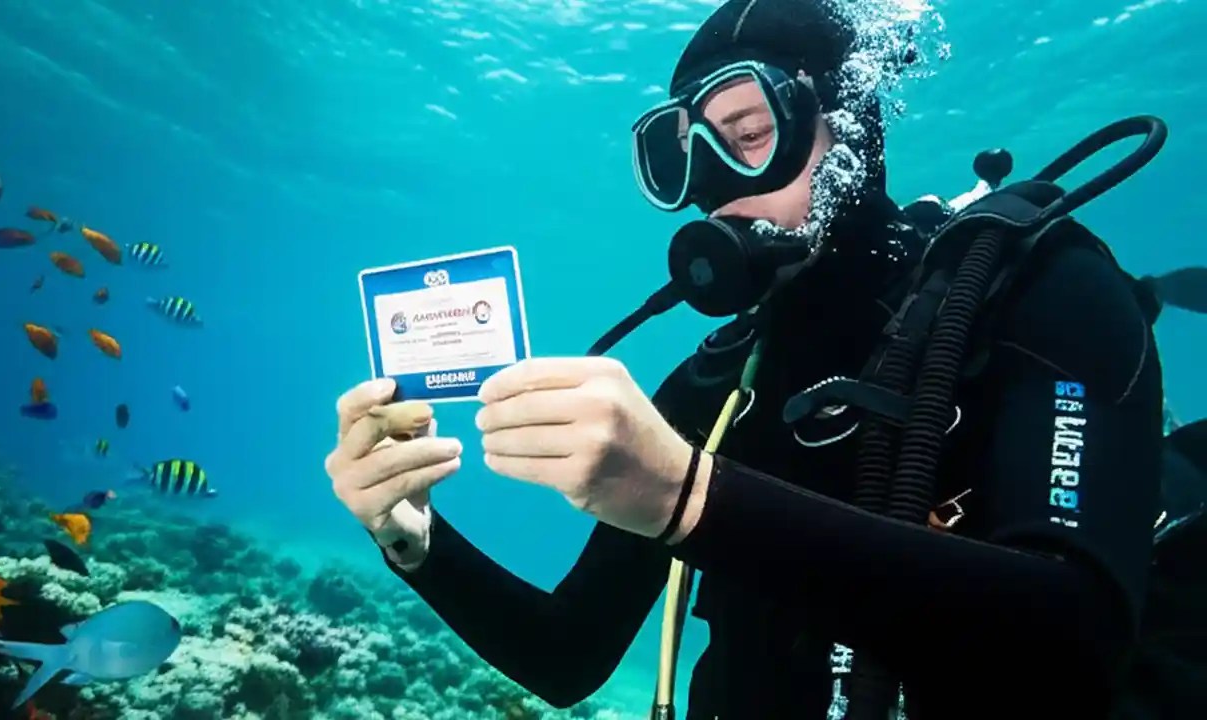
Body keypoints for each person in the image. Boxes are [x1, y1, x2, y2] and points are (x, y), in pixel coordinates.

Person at [325, 1, 1179, 718]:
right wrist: (414, 540)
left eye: (746, 131)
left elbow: (1078, 646)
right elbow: (568, 655)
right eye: (680, 153)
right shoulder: (716, 384)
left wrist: (689, 500)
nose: (712, 182)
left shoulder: (1038, 294)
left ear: (848, 130)